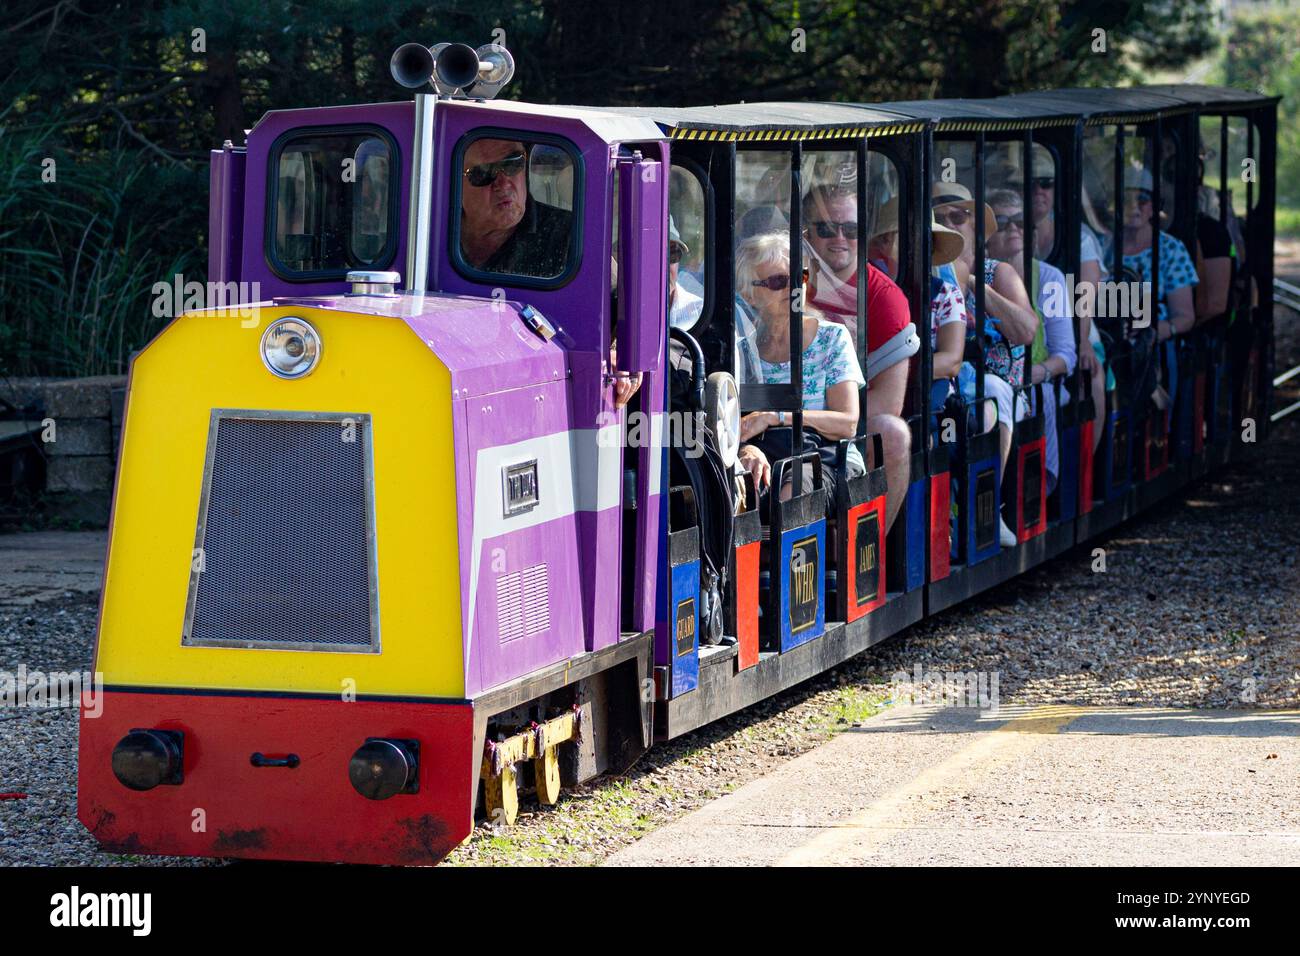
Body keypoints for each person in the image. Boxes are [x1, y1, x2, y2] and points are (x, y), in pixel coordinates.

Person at [733, 233, 890, 522]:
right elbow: (733, 422)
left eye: (800, 277)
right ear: (749, 294)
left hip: (825, 457)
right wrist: (747, 448)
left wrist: (775, 417)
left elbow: (848, 423)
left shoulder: (831, 338)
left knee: (794, 491)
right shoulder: (742, 346)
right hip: (766, 452)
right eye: (779, 282)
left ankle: (786, 567)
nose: (794, 289)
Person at [934, 180, 1039, 546]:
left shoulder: (998, 273)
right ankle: (936, 518)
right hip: (944, 377)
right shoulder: (924, 274)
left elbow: (1026, 330)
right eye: (940, 217)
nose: (950, 223)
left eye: (959, 216)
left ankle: (987, 508)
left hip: (997, 381)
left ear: (976, 226)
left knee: (992, 392)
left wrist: (975, 284)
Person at [986, 189, 1077, 489]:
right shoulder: (978, 273)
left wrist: (1030, 375)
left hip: (1036, 378)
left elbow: (1065, 354)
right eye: (1002, 221)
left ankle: (1039, 485)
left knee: (1044, 396)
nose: (1013, 228)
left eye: (1020, 221)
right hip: (989, 380)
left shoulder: (1050, 279)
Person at [1101, 168, 1197, 410]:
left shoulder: (1171, 249)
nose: (1134, 206)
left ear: (1155, 206)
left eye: (1142, 200)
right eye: (1126, 199)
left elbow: (1185, 316)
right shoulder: (1102, 245)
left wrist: (1150, 331)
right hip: (1108, 337)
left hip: (1153, 347)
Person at [459, 138, 571, 278]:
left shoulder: (570, 236)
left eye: (513, 163)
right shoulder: (429, 228)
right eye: (483, 172)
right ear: (454, 180)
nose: (504, 184)